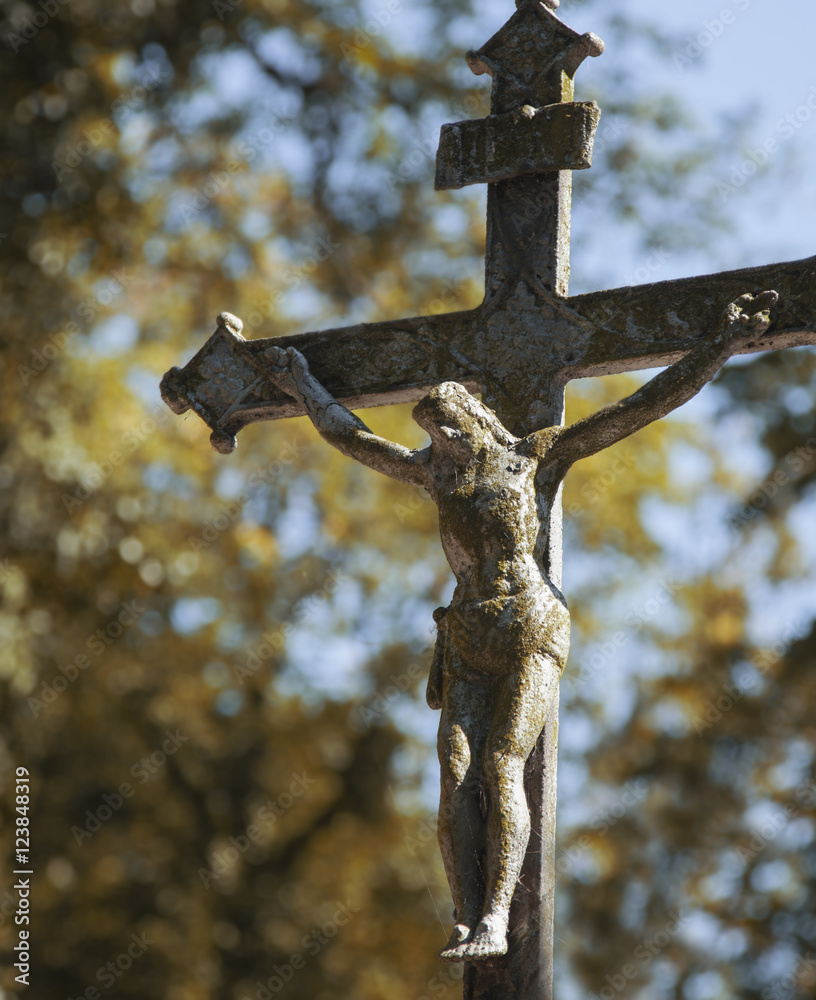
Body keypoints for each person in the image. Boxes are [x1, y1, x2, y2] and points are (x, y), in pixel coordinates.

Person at [264, 290, 777, 962]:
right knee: (455, 771)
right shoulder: (435, 473)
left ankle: (495, 919)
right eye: (432, 434)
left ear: (475, 420)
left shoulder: (534, 456)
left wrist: (720, 345)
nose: (441, 442)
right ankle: (463, 915)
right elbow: (349, 435)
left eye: (448, 429)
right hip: (468, 635)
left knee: (503, 761)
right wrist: (302, 385)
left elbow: (640, 407)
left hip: (530, 627)